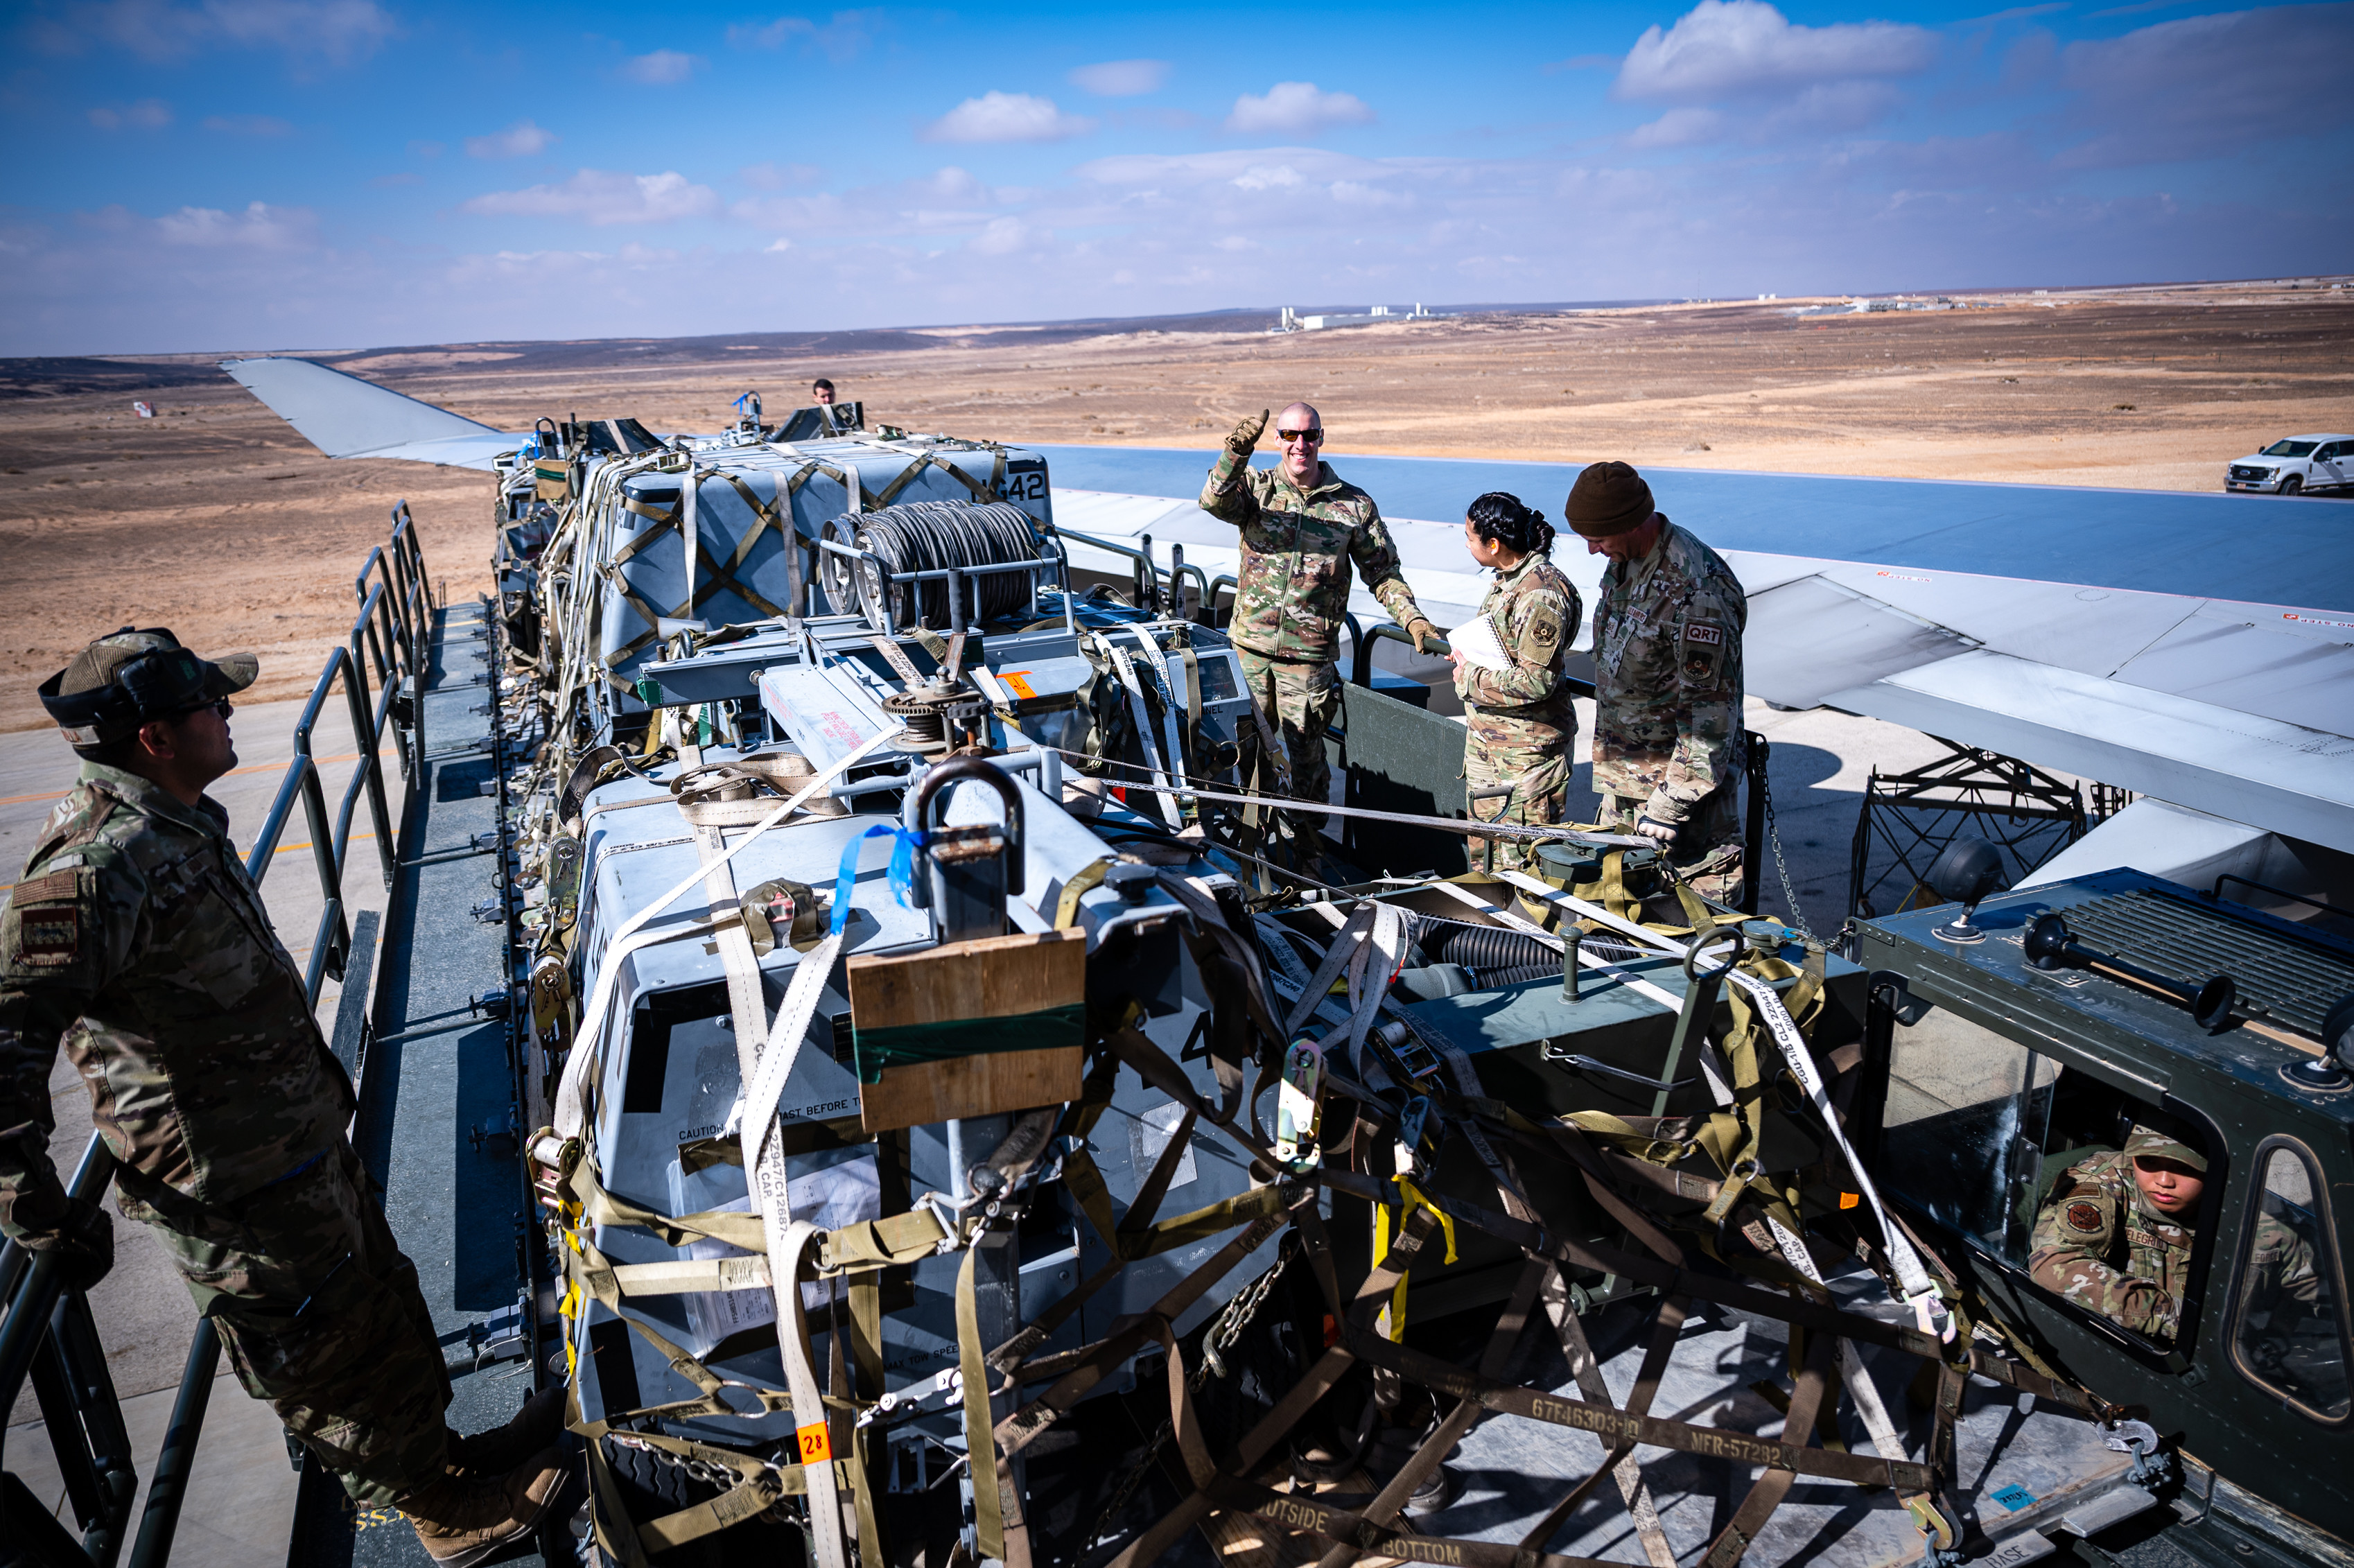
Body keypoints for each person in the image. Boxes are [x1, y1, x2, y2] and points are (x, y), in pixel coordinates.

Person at [0, 628, 568, 1565]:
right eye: (207, 705)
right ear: (154, 737)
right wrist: (35, 1207)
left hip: (293, 1146)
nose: (228, 714)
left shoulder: (176, 822)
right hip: (238, 1193)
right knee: (326, 1348)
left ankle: (446, 1458)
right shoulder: (96, 870)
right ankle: (443, 1513)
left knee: (377, 1306)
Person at [1200, 403, 1438, 849]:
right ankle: (1250, 857)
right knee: (1244, 759)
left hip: (1307, 665)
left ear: (1321, 439)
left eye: (1308, 436)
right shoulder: (1257, 488)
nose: (1299, 445)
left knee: (1307, 766)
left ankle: (1307, 863)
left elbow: (1383, 573)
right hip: (1249, 653)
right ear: (1278, 440)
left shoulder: (1352, 505)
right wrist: (1235, 452)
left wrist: (1413, 619)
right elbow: (1214, 501)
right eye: (1290, 436)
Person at [1567, 460, 1747, 908]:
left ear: (1629, 523)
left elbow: (1710, 718)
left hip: (1682, 812)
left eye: (1598, 538)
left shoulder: (1696, 591)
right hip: (1630, 791)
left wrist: (1671, 805)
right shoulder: (1629, 563)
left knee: (1694, 935)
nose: (1592, 550)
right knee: (1619, 924)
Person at [2028, 1122, 2317, 1342]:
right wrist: (2178, 1319)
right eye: (2149, 1162)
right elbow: (2054, 1263)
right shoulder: (2103, 1182)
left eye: (2183, 1167)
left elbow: (2315, 1295)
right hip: (2123, 1342)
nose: (2164, 1181)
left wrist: (2278, 1335)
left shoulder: (2265, 1221)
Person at [1448, 493, 1581, 873]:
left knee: (1524, 865)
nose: (1468, 545)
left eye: (1471, 539)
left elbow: (1537, 680)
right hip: (1492, 745)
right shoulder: (1509, 580)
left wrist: (1469, 677)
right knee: (1484, 857)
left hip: (1526, 756)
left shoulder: (1542, 594)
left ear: (1494, 545)